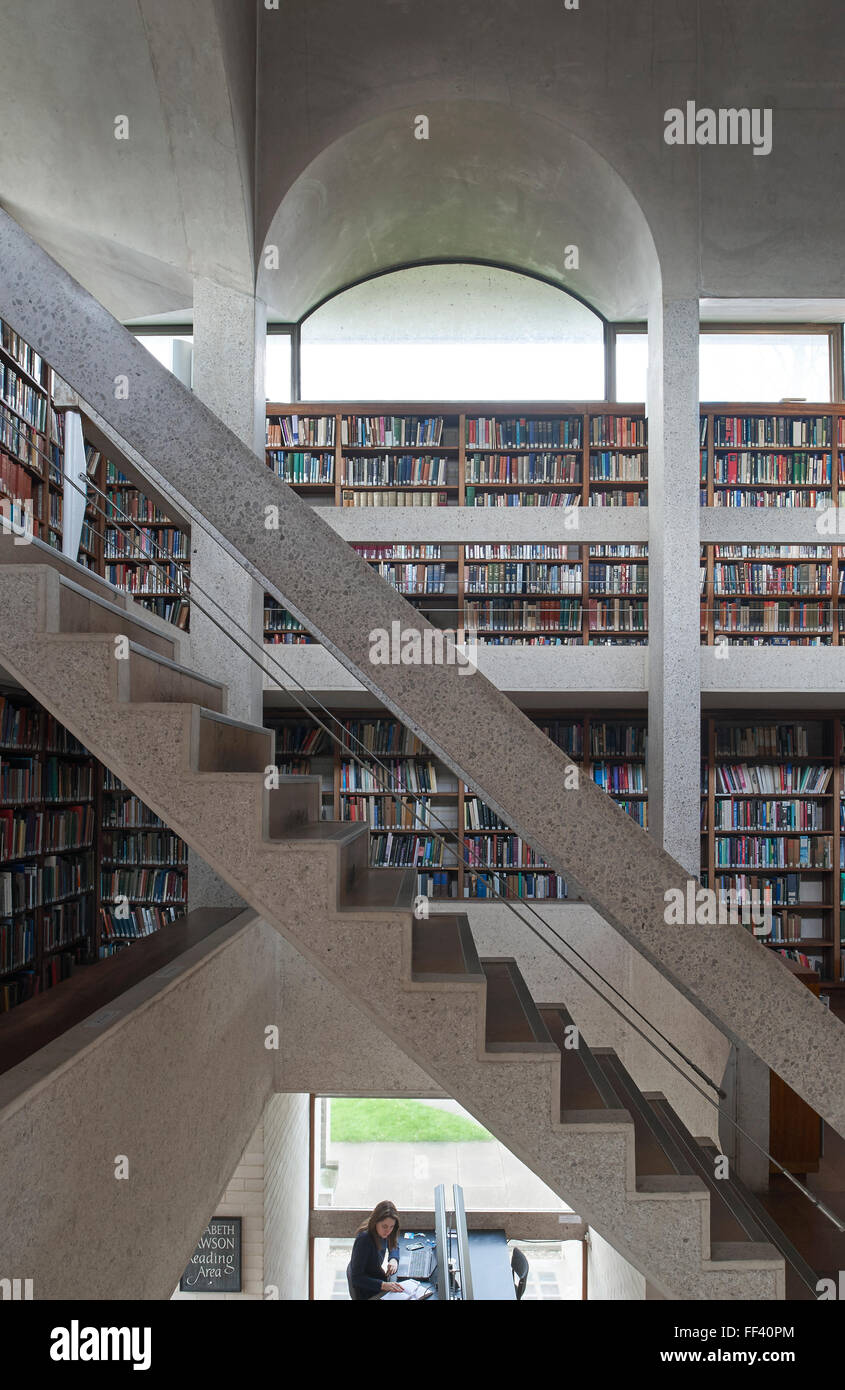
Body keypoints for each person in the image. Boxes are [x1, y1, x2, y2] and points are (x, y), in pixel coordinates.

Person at [347, 1200, 404, 1299]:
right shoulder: (364, 1240)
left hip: (378, 1280)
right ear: (376, 1221)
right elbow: (356, 1278)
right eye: (385, 1226)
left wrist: (393, 1259)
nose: (388, 1231)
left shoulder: (384, 1232)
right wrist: (384, 1285)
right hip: (367, 1290)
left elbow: (394, 1241)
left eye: (391, 1227)